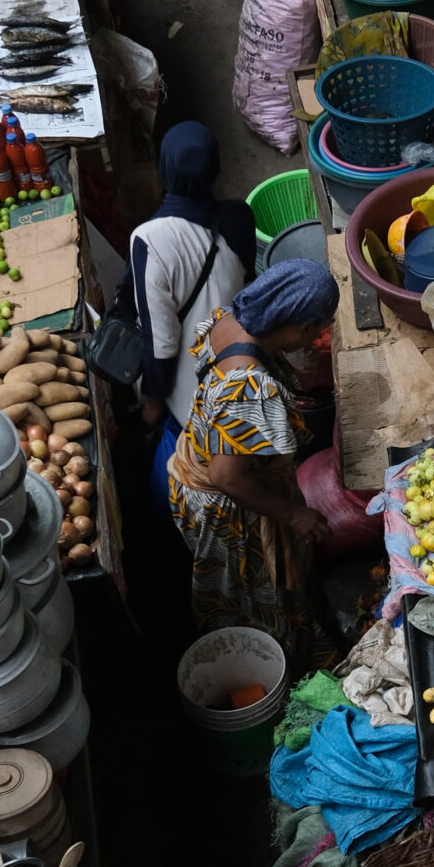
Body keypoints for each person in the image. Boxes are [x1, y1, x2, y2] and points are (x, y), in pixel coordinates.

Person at [167, 259, 339, 668]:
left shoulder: (229, 321)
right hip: (225, 502)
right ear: (298, 328)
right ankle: (270, 659)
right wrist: (294, 514)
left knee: (231, 586)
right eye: (317, 328)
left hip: (193, 457)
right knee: (252, 592)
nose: (317, 336)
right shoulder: (250, 388)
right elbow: (226, 476)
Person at [130, 124, 258, 510]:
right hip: (240, 375)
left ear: (164, 170)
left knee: (170, 496)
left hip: (188, 403)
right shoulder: (238, 218)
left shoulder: (149, 240)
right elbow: (246, 289)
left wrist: (152, 405)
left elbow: (162, 343)